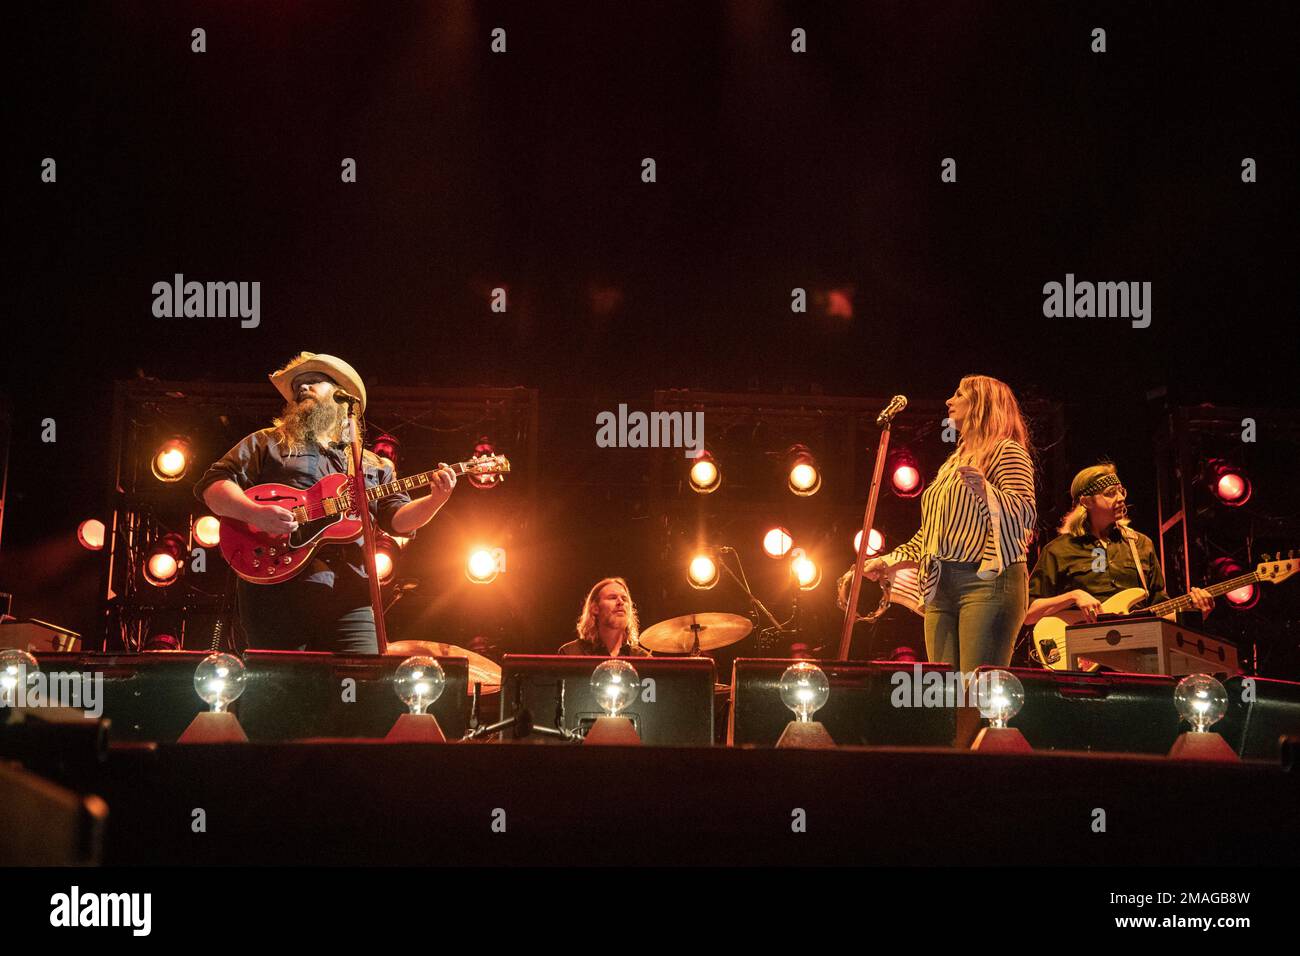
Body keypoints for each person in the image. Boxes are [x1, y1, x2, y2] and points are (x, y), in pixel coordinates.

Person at [194, 352, 457, 653]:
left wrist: (437, 499)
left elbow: (397, 519)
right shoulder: (268, 441)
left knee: (361, 682)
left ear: (342, 397)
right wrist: (254, 513)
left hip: (350, 594)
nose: (301, 389)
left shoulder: (371, 464)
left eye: (313, 382)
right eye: (297, 387)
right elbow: (214, 486)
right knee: (280, 688)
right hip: (276, 590)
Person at [860, 375, 1037, 670]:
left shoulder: (1007, 451)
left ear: (982, 404)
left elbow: (1023, 515)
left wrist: (986, 491)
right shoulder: (953, 463)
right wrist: (890, 559)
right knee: (944, 687)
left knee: (974, 689)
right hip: (940, 584)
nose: (948, 401)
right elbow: (932, 533)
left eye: (959, 395)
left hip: (986, 580)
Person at [1024, 463, 1213, 627]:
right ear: (1086, 502)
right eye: (1110, 494)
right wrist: (1074, 596)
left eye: (1121, 491)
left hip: (1138, 650)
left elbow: (1160, 611)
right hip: (1082, 654)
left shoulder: (1141, 544)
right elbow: (1028, 614)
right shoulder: (1058, 550)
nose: (1121, 498)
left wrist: (1195, 614)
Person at [558, 577, 652, 656]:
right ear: (595, 608)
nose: (621, 602)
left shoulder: (642, 658)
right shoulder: (571, 653)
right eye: (612, 597)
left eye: (624, 598)